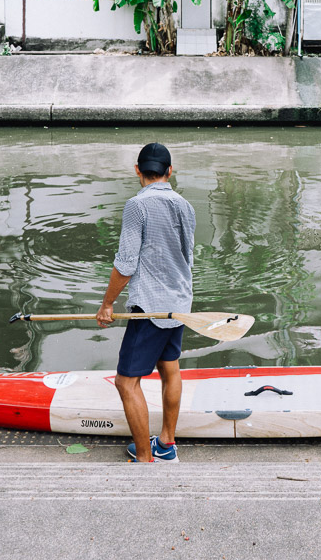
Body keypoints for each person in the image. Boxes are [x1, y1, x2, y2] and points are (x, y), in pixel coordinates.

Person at [96, 143, 195, 463]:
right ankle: (165, 444)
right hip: (179, 301)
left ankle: (144, 458)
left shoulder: (136, 206)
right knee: (169, 368)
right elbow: (187, 257)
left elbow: (125, 263)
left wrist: (107, 304)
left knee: (126, 381)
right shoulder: (186, 205)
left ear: (137, 170)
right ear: (170, 171)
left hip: (150, 307)